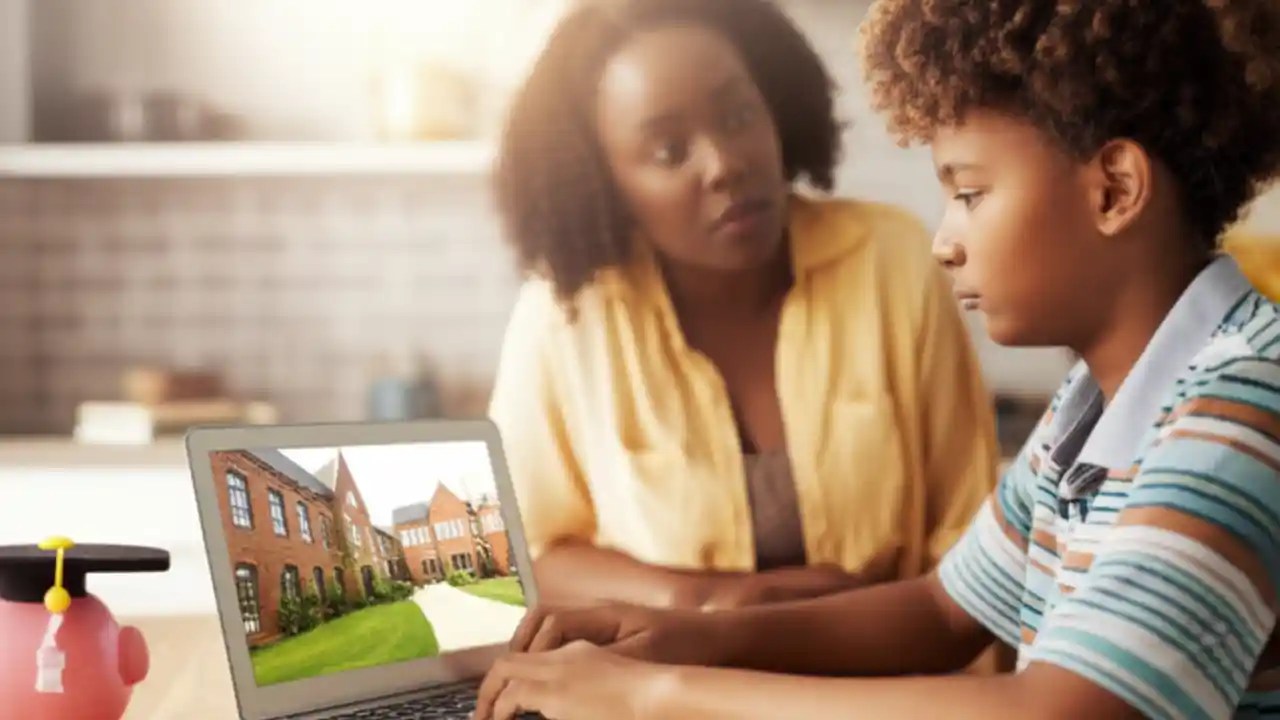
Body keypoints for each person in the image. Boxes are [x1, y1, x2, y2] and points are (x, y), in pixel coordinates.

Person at [473, 0, 1280, 717]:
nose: (944, 242)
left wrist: (652, 695)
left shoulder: (1236, 404)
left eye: (968, 194)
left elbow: (1057, 710)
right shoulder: (1096, 405)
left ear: (1113, 190)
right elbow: (941, 612)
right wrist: (679, 638)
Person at [485, 0, 999, 614]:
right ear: (603, 183)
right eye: (670, 151)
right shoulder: (565, 315)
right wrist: (709, 601)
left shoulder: (891, 259)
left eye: (737, 114)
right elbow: (522, 557)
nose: (726, 163)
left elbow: (970, 535)